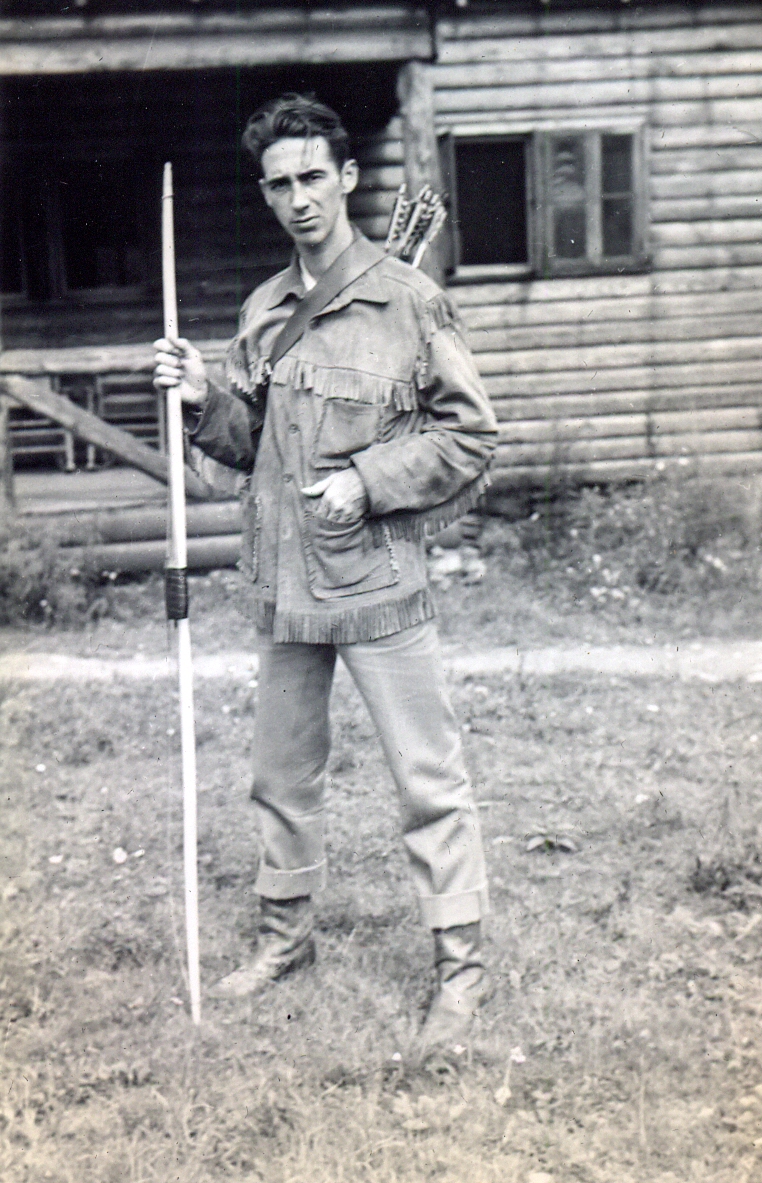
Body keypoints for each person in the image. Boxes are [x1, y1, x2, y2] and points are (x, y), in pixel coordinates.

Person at [153, 92, 498, 1053]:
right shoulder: (266, 310)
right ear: (266, 197)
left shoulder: (410, 299)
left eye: (313, 177)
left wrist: (370, 480)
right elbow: (246, 440)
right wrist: (200, 398)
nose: (299, 198)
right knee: (280, 778)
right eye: (280, 184)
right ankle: (284, 942)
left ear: (346, 179)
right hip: (287, 589)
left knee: (428, 782)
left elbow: (472, 432)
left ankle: (460, 972)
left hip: (382, 588)